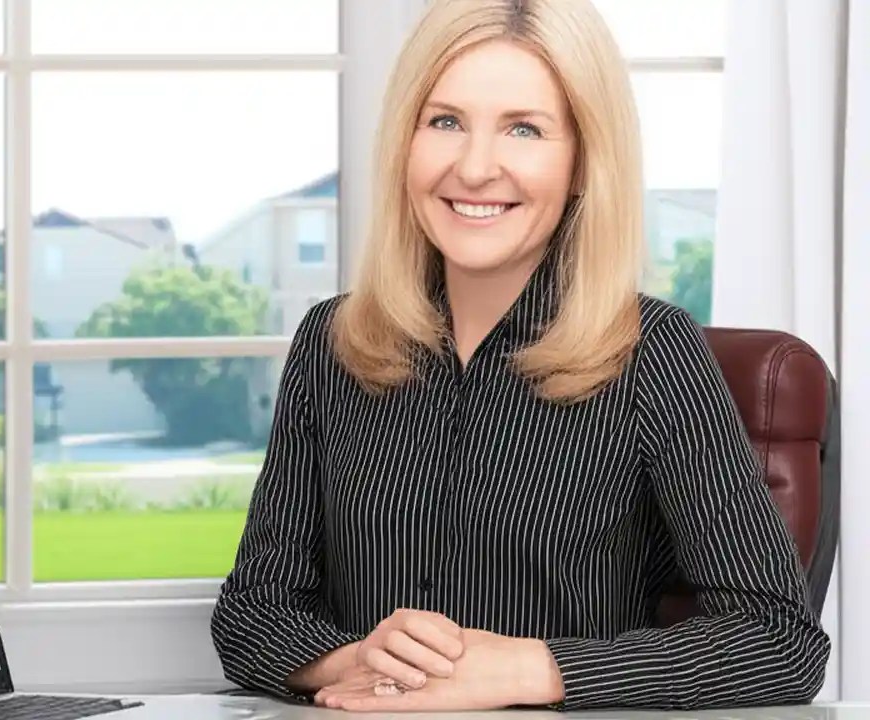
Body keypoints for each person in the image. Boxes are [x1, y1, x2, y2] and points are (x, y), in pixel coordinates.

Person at [209, 0, 831, 712]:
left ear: (582, 164)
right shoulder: (332, 341)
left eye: (525, 129)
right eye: (444, 121)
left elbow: (780, 640)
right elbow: (252, 611)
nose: (474, 168)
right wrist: (345, 661)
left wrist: (528, 670)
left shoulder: (654, 350)